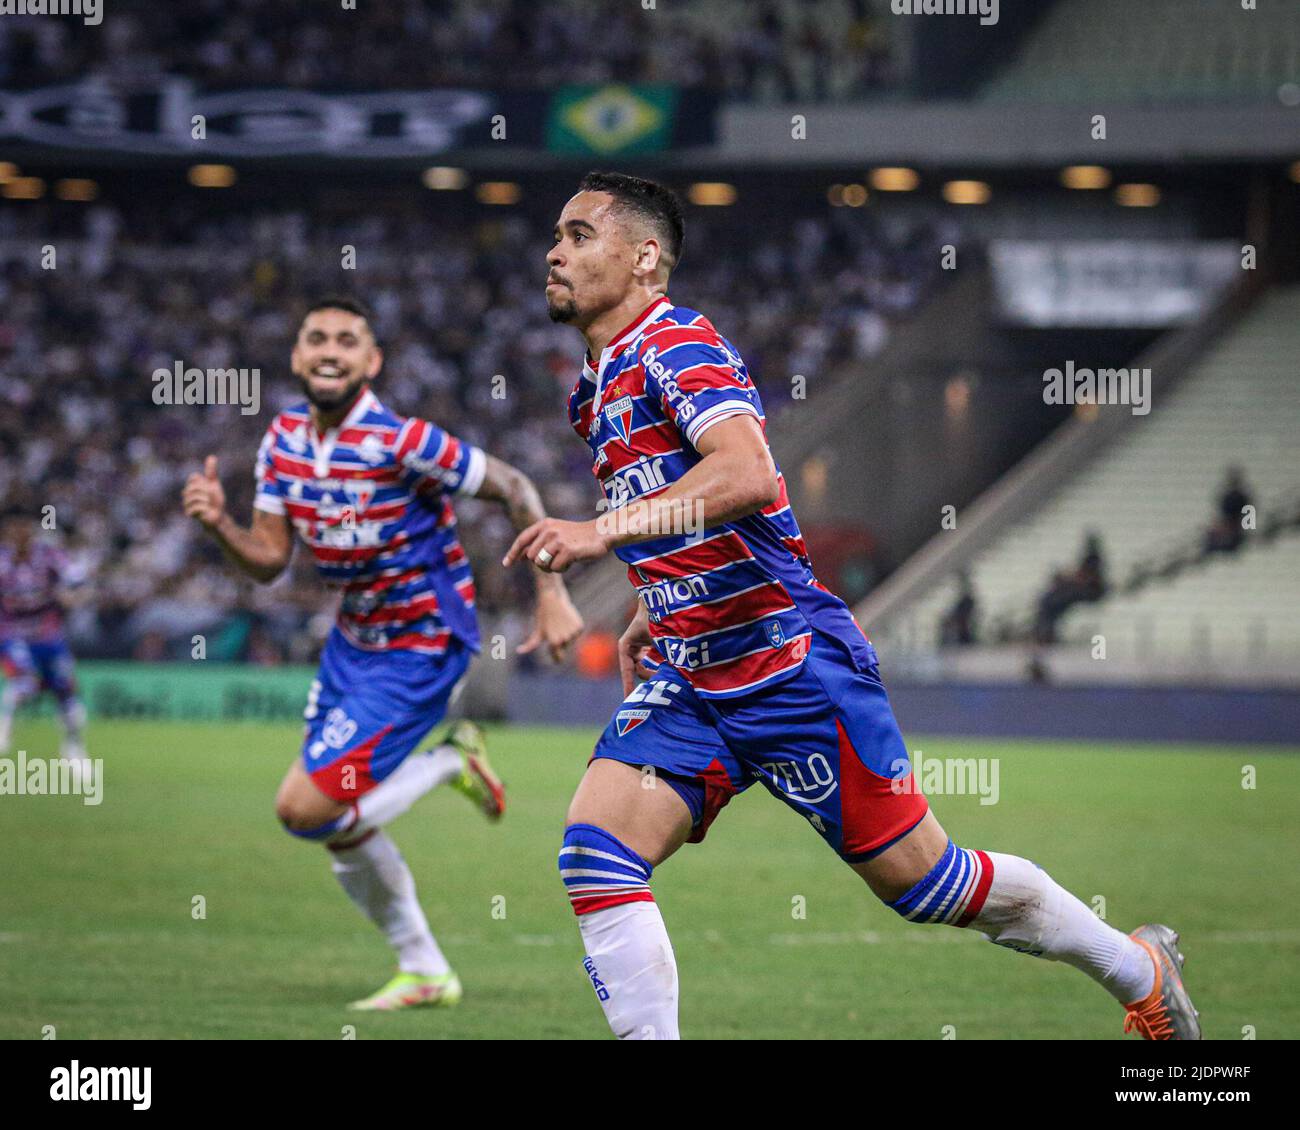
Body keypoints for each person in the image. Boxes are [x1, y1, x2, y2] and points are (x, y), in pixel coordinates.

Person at [504, 172, 1198, 1040]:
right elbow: (684, 505)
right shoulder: (594, 389)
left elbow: (747, 475)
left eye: (577, 233)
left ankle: (1139, 970)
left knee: (928, 886)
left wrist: (604, 532)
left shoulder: (676, 345)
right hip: (693, 671)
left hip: (792, 664)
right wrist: (659, 593)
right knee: (595, 855)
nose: (553, 251)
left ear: (644, 258)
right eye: (556, 235)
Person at [182, 297, 583, 1010]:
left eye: (347, 340)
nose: (329, 350)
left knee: (302, 807)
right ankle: (425, 970)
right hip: (352, 645)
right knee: (333, 820)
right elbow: (271, 560)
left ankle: (448, 761)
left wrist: (549, 595)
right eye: (315, 339)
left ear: (372, 362)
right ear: (298, 357)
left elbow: (517, 487)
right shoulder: (281, 444)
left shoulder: (404, 442)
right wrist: (220, 526)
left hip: (422, 645)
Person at [0, 509, 89, 761]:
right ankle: (5, 728)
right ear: (7, 533)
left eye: (24, 528)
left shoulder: (49, 555)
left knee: (65, 689)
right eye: (14, 530)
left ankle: (73, 747)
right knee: (24, 683)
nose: (20, 535)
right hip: (12, 634)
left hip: (48, 635)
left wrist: (72, 597)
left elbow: (78, 581)